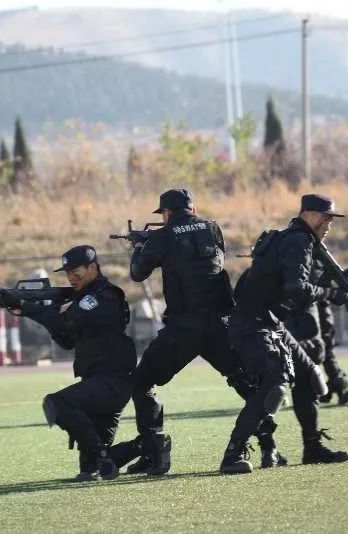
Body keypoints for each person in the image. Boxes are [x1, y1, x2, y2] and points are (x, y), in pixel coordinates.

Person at [120, 188, 276, 476]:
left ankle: (153, 452)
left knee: (142, 382)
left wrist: (141, 246)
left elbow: (138, 273)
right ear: (192, 208)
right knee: (245, 382)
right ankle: (268, 445)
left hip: (185, 326)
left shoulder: (163, 236)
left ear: (166, 213)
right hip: (221, 323)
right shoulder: (213, 228)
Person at [219, 193, 348, 474]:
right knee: (273, 385)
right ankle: (232, 454)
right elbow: (297, 288)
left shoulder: (289, 238)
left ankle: (312, 447)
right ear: (311, 215)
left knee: (309, 376)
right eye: (326, 218)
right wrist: (333, 294)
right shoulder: (299, 241)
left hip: (269, 322)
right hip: (252, 324)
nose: (329, 224)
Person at [0, 245, 137, 482]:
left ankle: (103, 454)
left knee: (56, 404)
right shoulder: (83, 298)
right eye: (67, 273)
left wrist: (26, 307)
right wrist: (39, 310)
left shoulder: (101, 296)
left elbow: (63, 323)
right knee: (89, 469)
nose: (71, 278)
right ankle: (144, 447)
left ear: (92, 267)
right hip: (98, 383)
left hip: (111, 383)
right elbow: (67, 339)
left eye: (76, 272)